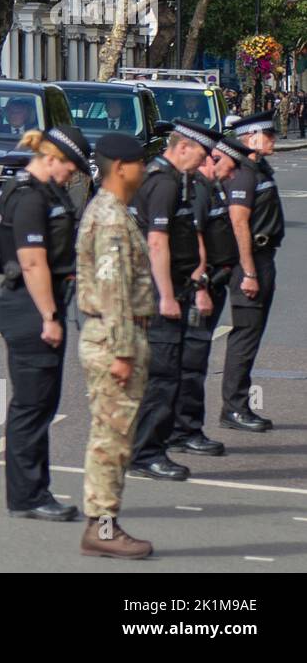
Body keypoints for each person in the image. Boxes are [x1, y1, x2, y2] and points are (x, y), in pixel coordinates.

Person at [0, 126, 91, 522]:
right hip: (32, 306)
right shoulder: (30, 196)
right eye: (71, 167)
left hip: (36, 303)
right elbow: (33, 262)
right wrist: (50, 317)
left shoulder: (41, 190)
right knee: (32, 406)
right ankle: (28, 495)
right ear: (51, 159)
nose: (73, 175)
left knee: (40, 404)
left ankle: (34, 490)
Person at [76, 132, 153, 558]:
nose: (144, 170)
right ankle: (102, 529)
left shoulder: (117, 212)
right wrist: (124, 350)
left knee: (116, 436)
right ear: (121, 167)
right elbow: (114, 289)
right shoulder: (110, 218)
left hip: (116, 334)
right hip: (113, 338)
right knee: (111, 438)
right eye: (140, 162)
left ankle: (105, 524)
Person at [126, 120, 215, 482]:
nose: (205, 159)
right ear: (181, 148)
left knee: (166, 374)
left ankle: (149, 449)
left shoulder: (174, 180)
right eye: (201, 152)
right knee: (162, 376)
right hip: (157, 293)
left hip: (171, 287)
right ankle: (146, 453)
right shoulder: (163, 183)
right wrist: (166, 295)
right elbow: (157, 242)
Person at [169, 135, 252, 456]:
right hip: (202, 287)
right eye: (230, 168)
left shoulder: (211, 186)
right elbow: (196, 239)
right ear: (212, 160)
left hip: (215, 283)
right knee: (191, 363)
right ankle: (184, 431)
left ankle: (186, 428)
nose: (233, 176)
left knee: (196, 361)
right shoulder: (199, 190)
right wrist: (202, 286)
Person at [220, 111, 284, 432]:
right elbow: (239, 223)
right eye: (268, 135)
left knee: (252, 335)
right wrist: (248, 272)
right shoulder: (245, 174)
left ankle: (237, 405)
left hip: (263, 257)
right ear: (251, 138)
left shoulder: (259, 169)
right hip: (252, 260)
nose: (273, 139)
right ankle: (234, 408)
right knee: (245, 336)